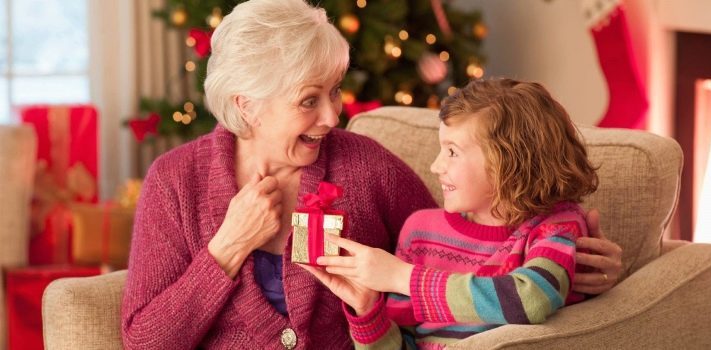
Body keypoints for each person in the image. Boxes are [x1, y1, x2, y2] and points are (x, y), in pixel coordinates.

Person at [121, 0, 621, 349]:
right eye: (308, 101)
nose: (333, 117)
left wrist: (578, 266)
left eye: (334, 91)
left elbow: (467, 241)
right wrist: (225, 249)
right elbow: (144, 341)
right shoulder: (175, 182)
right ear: (246, 105)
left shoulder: (366, 166)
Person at [304, 78, 609, 349]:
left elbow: (530, 299)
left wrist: (402, 277)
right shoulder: (420, 231)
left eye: (452, 151)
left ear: (508, 162)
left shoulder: (556, 226)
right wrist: (368, 310)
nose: (436, 166)